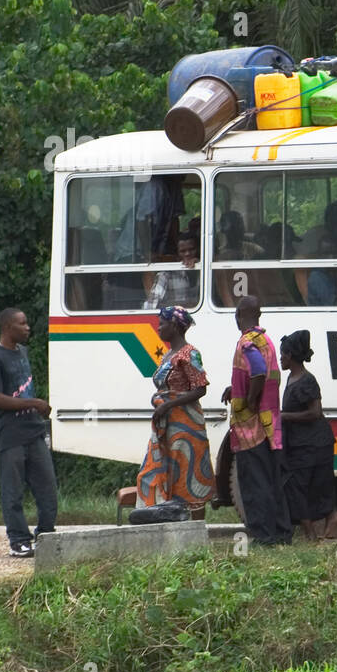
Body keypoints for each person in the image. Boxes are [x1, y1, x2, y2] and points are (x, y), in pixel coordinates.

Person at [0, 307, 58, 558]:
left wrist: (35, 410)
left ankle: (45, 534)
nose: (27, 327)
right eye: (22, 324)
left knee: (47, 487)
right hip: (10, 435)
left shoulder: (23, 352)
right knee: (13, 492)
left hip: (33, 431)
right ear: (7, 328)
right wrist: (34, 403)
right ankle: (18, 541)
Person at [220, 296, 292, 545]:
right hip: (270, 424)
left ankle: (264, 536)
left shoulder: (246, 342)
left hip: (250, 427)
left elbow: (259, 371)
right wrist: (236, 388)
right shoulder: (267, 341)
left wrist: (249, 399)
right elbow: (259, 372)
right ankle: (282, 533)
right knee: (272, 481)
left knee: (254, 482)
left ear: (238, 315)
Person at [132, 306, 215, 517]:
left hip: (186, 427)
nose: (158, 328)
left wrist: (169, 404)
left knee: (188, 475)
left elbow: (200, 388)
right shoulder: (168, 355)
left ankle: (196, 530)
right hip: (167, 427)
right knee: (160, 471)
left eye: (162, 323)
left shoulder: (189, 353)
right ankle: (167, 521)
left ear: (175, 326)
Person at [279, 331, 337, 540]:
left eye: (282, 355)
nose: (280, 359)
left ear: (290, 355)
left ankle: (314, 530)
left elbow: (315, 412)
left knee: (303, 486)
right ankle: (325, 523)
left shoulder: (307, 381)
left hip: (313, 444)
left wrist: (285, 416)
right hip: (304, 444)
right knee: (308, 487)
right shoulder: (292, 378)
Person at [143, 232, 200, 309]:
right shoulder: (166, 275)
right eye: (183, 251)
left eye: (191, 249)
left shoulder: (206, 272)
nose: (187, 254)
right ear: (177, 254)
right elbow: (149, 306)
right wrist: (181, 306)